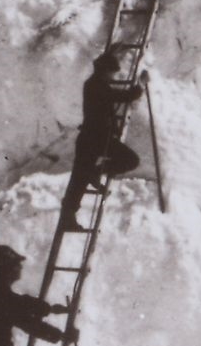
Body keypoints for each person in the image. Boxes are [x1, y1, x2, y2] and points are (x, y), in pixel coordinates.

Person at [59, 48, 145, 230]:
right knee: (130, 160)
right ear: (105, 71)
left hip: (89, 138)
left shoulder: (92, 84)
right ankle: (96, 172)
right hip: (98, 138)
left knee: (78, 181)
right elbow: (123, 96)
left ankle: (68, 217)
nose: (112, 76)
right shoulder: (97, 86)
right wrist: (140, 87)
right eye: (111, 73)